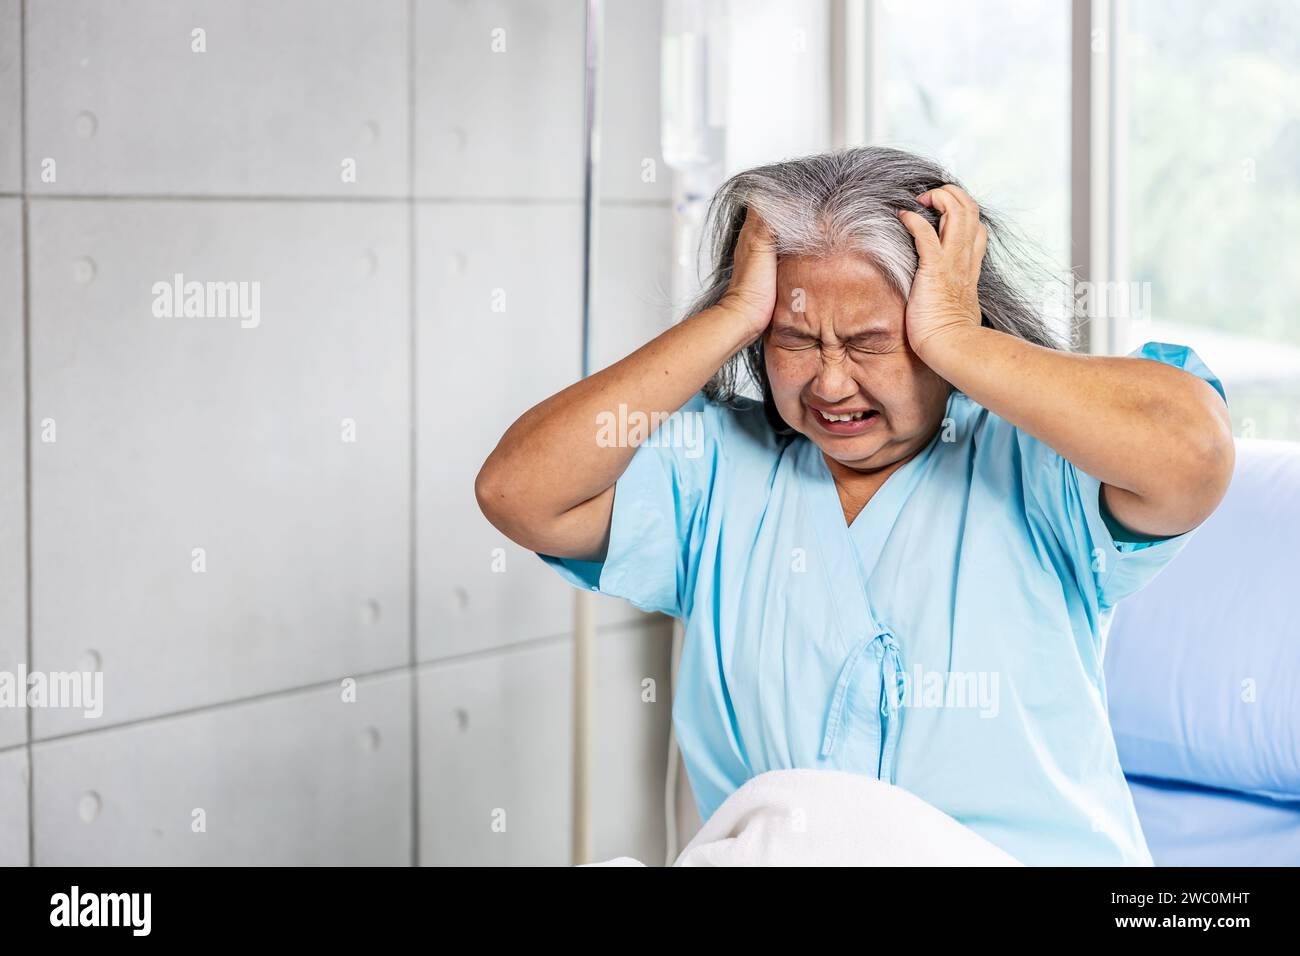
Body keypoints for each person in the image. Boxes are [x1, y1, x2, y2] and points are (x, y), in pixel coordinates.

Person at [475, 146, 1234, 865]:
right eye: (794, 340)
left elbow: (1192, 451)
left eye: (871, 342)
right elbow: (518, 492)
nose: (830, 384)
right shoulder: (710, 476)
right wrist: (728, 316)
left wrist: (959, 340)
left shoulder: (1038, 467)